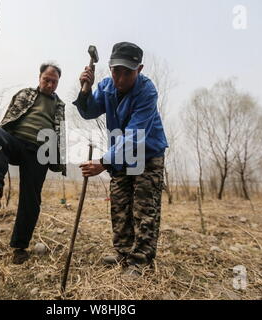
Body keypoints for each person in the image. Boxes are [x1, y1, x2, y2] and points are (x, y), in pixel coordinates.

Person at [73, 42, 168, 278]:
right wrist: (86, 89)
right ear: (110, 67)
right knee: (119, 204)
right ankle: (124, 252)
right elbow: (88, 112)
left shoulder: (147, 92)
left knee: (144, 207)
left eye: (128, 72)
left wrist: (103, 163)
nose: (121, 78)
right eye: (116, 71)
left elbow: (135, 137)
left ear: (140, 69)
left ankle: (141, 261)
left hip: (147, 154)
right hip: (120, 154)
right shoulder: (106, 87)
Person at [0, 63, 66, 264]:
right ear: (39, 77)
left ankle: (19, 247)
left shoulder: (59, 105)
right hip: (17, 142)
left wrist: (58, 161)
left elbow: (61, 133)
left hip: (40, 152)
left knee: (31, 198)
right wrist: (3, 143)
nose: (50, 84)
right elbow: (9, 117)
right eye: (47, 79)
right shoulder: (25, 94)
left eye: (54, 81)